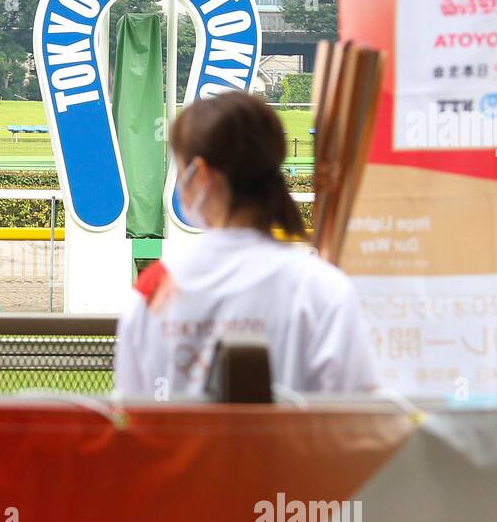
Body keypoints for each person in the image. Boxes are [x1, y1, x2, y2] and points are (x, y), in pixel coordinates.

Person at [114, 91, 379, 399]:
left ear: (200, 174)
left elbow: (131, 420)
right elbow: (358, 416)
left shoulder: (154, 289)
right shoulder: (322, 288)